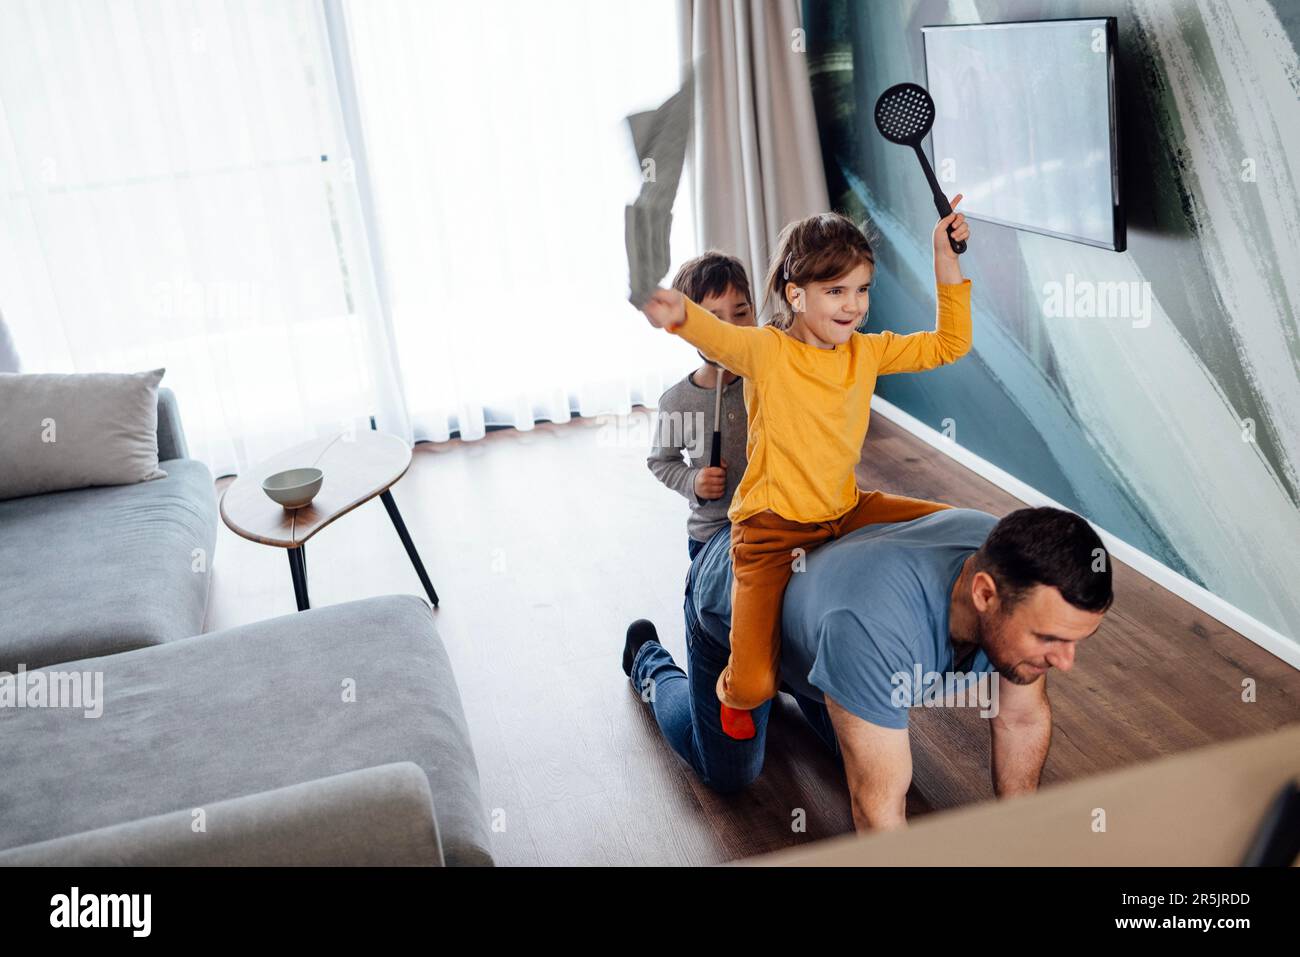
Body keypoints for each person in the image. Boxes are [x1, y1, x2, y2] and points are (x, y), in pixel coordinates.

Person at [636, 200, 973, 739]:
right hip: (771, 531)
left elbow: (950, 343)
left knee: (954, 526)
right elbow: (718, 336)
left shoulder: (865, 352)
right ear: (796, 295)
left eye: (862, 289)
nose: (853, 305)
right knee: (752, 687)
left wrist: (944, 256)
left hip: (844, 511)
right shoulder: (767, 351)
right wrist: (675, 310)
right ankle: (729, 687)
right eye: (836, 291)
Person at [623, 506, 1113, 831]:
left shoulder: (1014, 565)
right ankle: (650, 663)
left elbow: (1021, 719)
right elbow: (878, 816)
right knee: (731, 773)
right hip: (733, 595)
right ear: (984, 593)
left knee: (872, 756)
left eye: (1075, 640)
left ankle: (806, 670)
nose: (1065, 662)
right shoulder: (875, 626)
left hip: (826, 617)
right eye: (1050, 639)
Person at [645, 252, 754, 562]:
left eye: (741, 312)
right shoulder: (678, 401)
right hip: (713, 532)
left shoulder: (765, 381)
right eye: (713, 321)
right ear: (688, 330)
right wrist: (694, 481)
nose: (730, 329)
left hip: (770, 522)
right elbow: (661, 462)